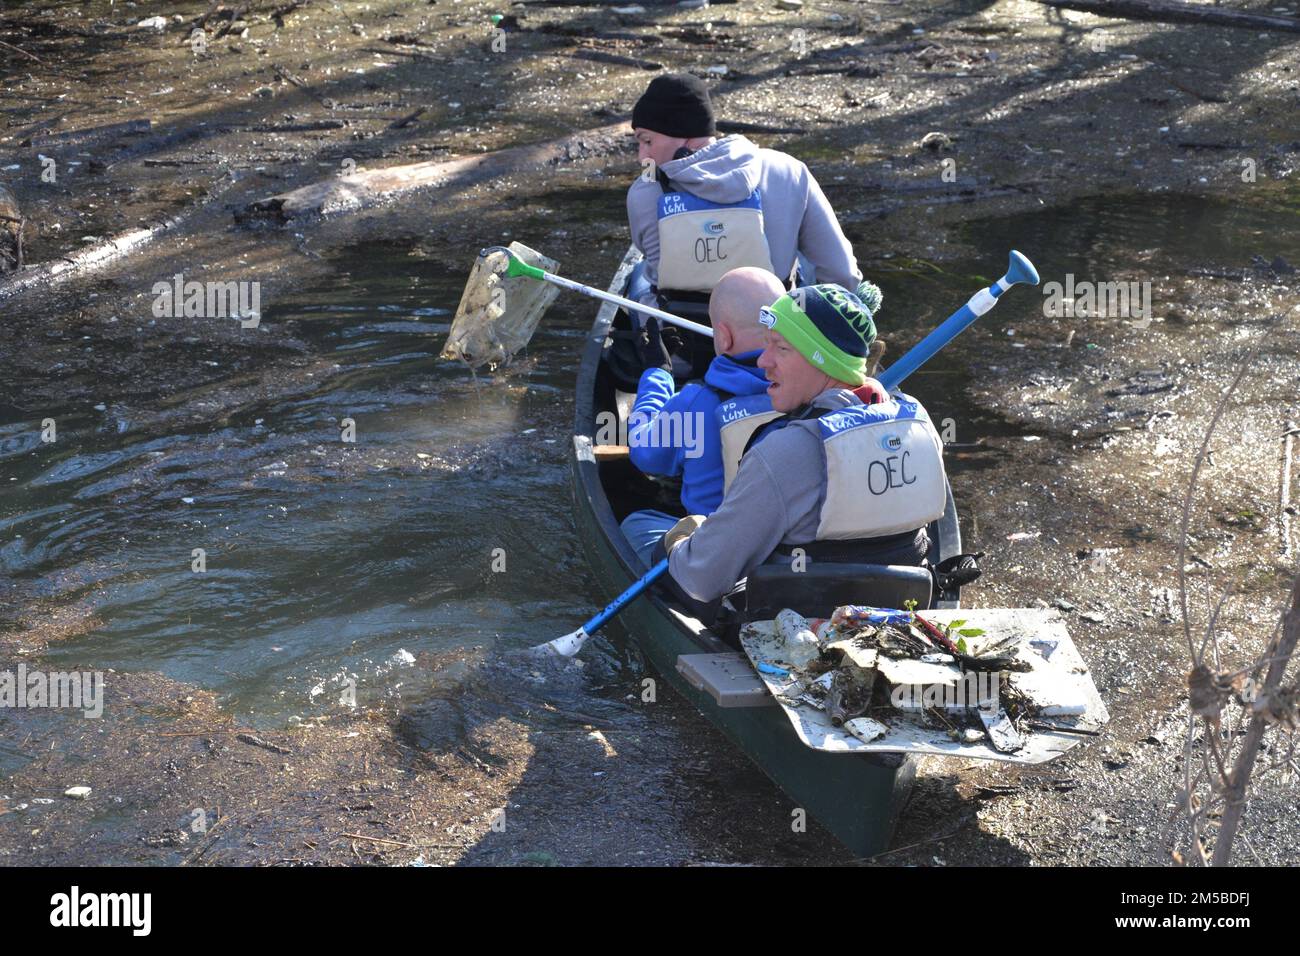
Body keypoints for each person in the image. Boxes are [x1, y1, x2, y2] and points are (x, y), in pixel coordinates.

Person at [654, 284, 949, 606]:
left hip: (792, 623)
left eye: (781, 348)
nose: (764, 361)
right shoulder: (919, 423)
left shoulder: (785, 452)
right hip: (903, 602)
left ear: (820, 360)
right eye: (766, 346)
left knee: (640, 526)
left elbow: (700, 579)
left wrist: (681, 539)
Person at [627, 74, 863, 311]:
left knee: (638, 276)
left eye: (647, 141)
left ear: (684, 136)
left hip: (677, 338)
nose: (641, 156)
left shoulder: (644, 191)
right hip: (772, 333)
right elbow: (842, 274)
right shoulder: (788, 170)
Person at [620, 268, 786, 565]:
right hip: (783, 545)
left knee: (635, 523)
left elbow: (644, 453)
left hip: (715, 553)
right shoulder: (804, 389)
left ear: (722, 337)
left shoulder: (697, 402)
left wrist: (657, 374)